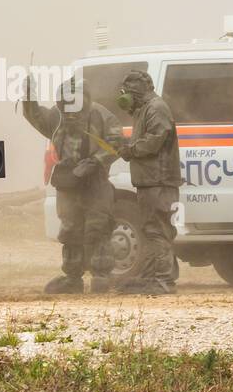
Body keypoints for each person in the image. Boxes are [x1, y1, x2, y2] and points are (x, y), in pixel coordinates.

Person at [23, 76, 122, 293]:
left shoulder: (102, 115)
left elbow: (116, 142)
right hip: (68, 181)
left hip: (95, 180)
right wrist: (29, 96)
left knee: (99, 227)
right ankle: (72, 278)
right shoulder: (57, 117)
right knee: (70, 230)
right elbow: (35, 116)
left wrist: (95, 161)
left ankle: (101, 277)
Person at [116, 70, 182, 294]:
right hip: (149, 181)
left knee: (158, 230)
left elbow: (154, 141)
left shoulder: (156, 108)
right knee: (151, 229)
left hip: (159, 182)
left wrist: (131, 150)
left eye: (127, 93)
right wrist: (127, 146)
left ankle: (163, 280)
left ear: (136, 91)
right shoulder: (145, 109)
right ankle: (151, 277)